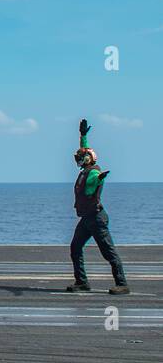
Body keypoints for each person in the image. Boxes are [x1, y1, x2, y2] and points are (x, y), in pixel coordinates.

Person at [67, 119, 129, 294]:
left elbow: (96, 179)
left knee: (108, 251)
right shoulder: (86, 170)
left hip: (96, 218)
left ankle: (122, 284)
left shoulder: (93, 173)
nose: (78, 159)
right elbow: (86, 149)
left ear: (87, 159)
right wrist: (83, 135)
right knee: (75, 247)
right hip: (87, 218)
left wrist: (101, 177)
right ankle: (81, 282)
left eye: (80, 157)